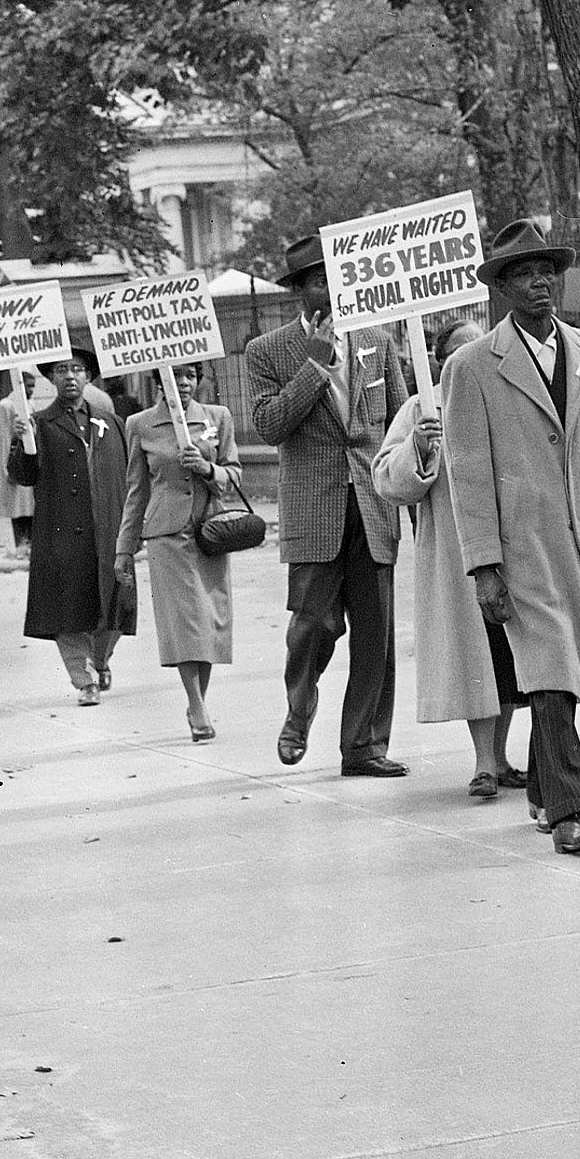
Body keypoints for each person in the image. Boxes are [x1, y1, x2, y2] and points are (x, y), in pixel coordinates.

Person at [440, 220, 580, 855]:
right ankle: (571, 815)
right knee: (551, 669)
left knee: (563, 668)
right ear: (501, 287)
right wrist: (483, 565)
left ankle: (538, 793)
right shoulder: (470, 366)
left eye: (547, 271)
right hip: (521, 545)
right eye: (524, 274)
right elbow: (467, 473)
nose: (540, 283)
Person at [244, 231, 411, 774]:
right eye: (320, 282)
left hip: (374, 503)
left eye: (339, 280)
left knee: (375, 633)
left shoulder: (379, 342)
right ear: (300, 291)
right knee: (313, 624)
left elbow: (401, 426)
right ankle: (301, 704)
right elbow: (269, 426)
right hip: (313, 510)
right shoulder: (266, 352)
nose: (332, 293)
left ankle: (363, 746)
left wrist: (416, 494)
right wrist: (314, 366)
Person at [374, 314, 528, 801]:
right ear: (440, 363)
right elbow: (386, 478)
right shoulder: (422, 406)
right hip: (456, 549)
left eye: (478, 344)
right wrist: (418, 449)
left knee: (507, 656)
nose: (472, 354)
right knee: (474, 653)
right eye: (459, 349)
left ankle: (500, 758)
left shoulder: (502, 391)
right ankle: (484, 762)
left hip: (510, 542)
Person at [115, 360, 239, 741]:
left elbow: (234, 474)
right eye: (176, 376)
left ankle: (196, 700)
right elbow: (136, 490)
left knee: (210, 623)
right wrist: (124, 548)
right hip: (167, 534)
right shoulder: (139, 425)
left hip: (211, 532)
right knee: (184, 625)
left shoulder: (217, 417)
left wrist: (207, 468)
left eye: (191, 376)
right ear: (159, 381)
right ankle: (198, 709)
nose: (184, 383)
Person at [11, 355, 135, 703]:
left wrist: (133, 528)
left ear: (89, 377)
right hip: (62, 531)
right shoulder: (38, 423)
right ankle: (84, 680)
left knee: (114, 606)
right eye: (62, 370)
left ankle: (101, 658)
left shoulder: (111, 421)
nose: (70, 376)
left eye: (77, 370)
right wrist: (25, 444)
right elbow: (22, 475)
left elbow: (130, 476)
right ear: (51, 377)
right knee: (68, 610)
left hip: (108, 529)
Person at [0, 373, 39, 549]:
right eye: (27, 386)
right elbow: (3, 438)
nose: (30, 390)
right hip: (14, 461)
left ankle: (32, 544)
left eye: (32, 386)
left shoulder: (30, 404)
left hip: (29, 460)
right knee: (18, 508)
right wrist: (9, 469)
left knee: (31, 507)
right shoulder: (6, 405)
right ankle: (21, 544)